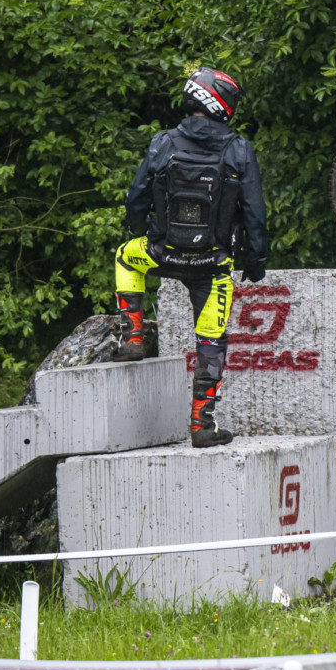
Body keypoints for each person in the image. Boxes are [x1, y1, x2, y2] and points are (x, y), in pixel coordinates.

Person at [112, 67, 268, 448]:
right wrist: (256, 260)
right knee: (211, 341)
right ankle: (202, 425)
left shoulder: (162, 142)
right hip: (213, 264)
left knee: (124, 257)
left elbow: (135, 200)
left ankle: (132, 337)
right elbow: (254, 214)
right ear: (222, 104)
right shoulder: (239, 149)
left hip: (161, 253)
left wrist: (140, 233)